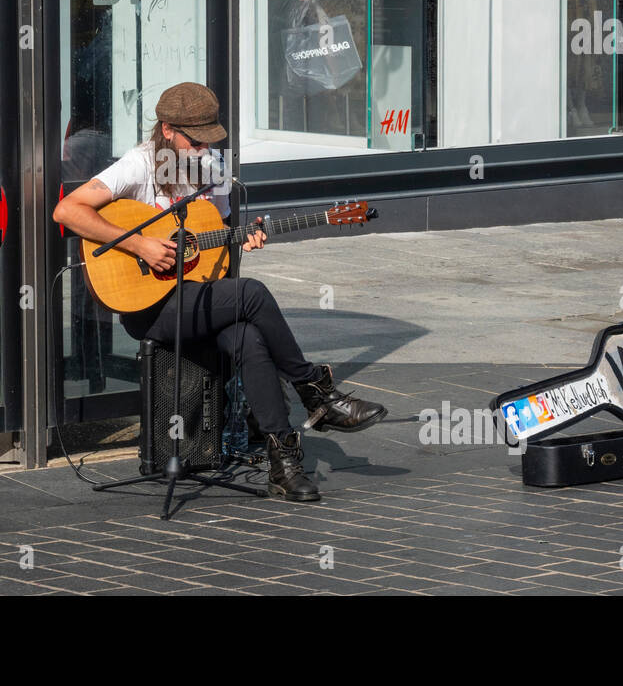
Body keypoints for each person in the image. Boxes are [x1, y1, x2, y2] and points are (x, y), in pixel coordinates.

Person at [52, 82, 387, 502]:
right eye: (195, 140)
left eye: (209, 139)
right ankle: (315, 391)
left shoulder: (212, 169)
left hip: (199, 296)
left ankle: (283, 462)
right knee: (253, 294)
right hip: (149, 305)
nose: (202, 149)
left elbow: (215, 236)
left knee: (248, 337)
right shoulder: (137, 165)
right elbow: (66, 211)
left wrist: (243, 238)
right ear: (168, 129)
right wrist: (138, 244)